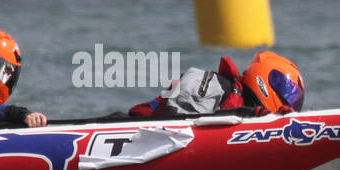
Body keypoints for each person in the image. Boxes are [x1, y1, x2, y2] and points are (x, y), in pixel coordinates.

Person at [128, 50, 305, 118]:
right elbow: (177, 122)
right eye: (289, 94)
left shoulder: (245, 113)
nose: (290, 103)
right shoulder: (216, 83)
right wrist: (252, 113)